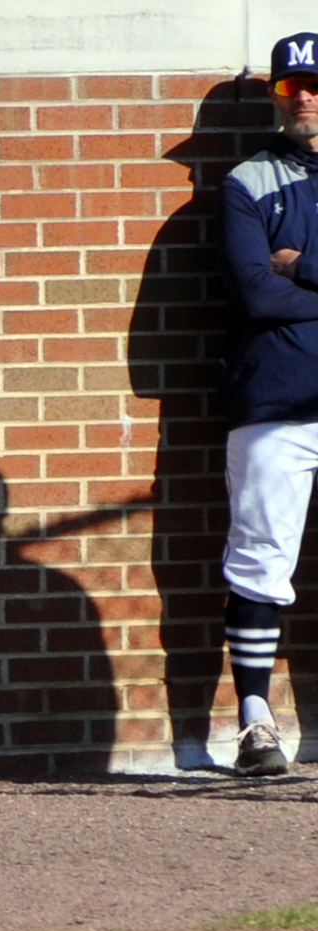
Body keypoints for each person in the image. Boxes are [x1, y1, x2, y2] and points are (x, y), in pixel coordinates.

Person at [213, 31, 318, 778]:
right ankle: (255, 724)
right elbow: (254, 290)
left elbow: (283, 280)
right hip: (274, 398)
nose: (304, 96)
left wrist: (304, 265)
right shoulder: (245, 181)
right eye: (290, 86)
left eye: (316, 83)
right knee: (259, 565)